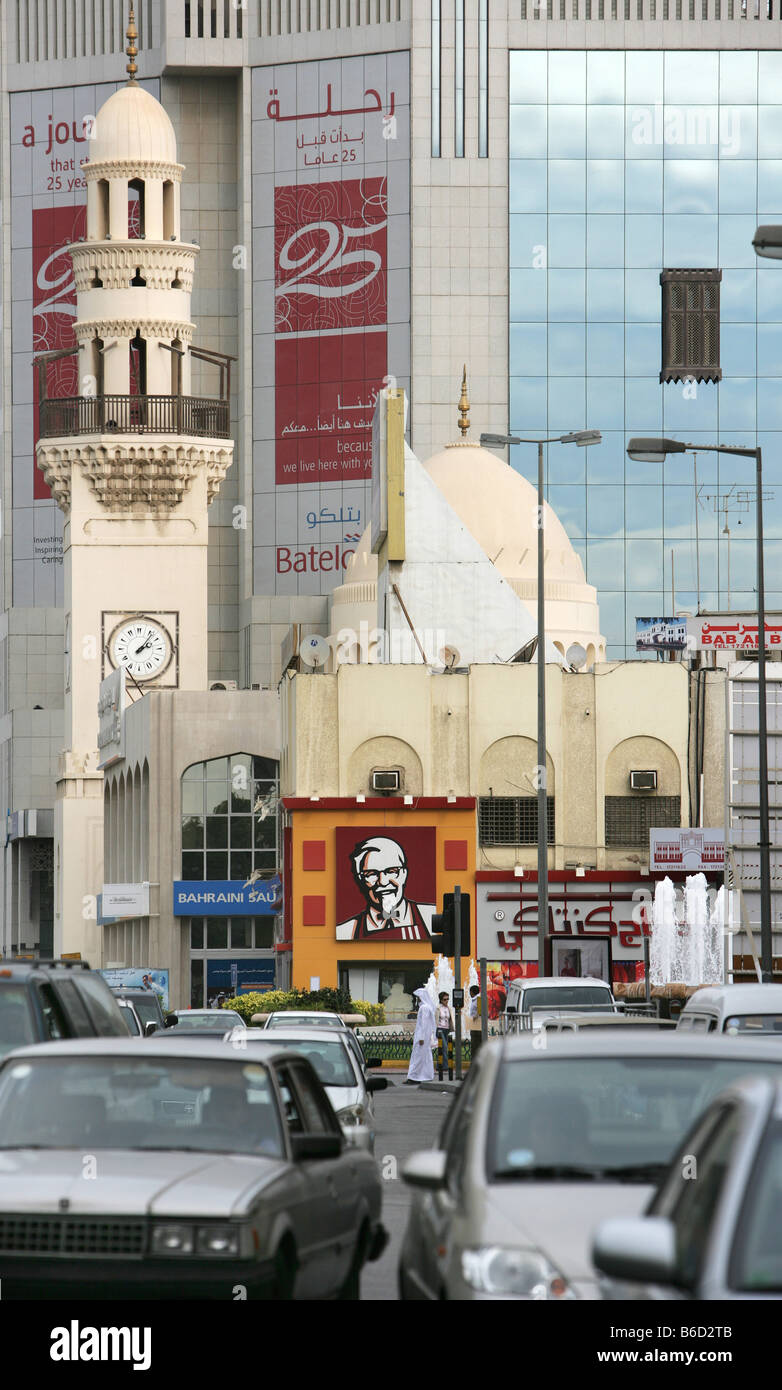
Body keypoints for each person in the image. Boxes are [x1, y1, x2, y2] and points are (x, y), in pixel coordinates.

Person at [336, 835, 435, 942]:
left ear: (404, 874)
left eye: (391, 871)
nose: (383, 882)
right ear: (361, 880)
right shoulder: (345, 932)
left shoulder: (432, 917)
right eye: (371, 874)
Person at [406, 988, 436, 1084]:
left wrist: (421, 1037)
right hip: (424, 1036)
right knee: (425, 1056)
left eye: (418, 997)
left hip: (422, 1036)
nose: (417, 999)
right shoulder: (427, 1007)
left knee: (417, 1056)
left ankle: (414, 1077)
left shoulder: (424, 1008)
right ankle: (425, 1075)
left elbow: (424, 1024)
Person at [435, 991, 455, 1061]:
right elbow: (435, 1019)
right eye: (444, 999)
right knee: (445, 1047)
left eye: (447, 999)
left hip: (446, 1030)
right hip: (440, 1029)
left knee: (442, 1048)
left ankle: (439, 1066)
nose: (446, 1001)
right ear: (441, 1000)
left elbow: (450, 1019)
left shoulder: (448, 1008)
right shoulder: (438, 1008)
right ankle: (446, 1066)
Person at [467, 984, 482, 1061]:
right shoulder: (475, 1000)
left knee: (476, 1045)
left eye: (470, 992)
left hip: (477, 1026)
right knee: (475, 1045)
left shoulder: (479, 999)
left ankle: (476, 1061)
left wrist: (473, 1019)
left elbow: (481, 1012)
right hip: (475, 1026)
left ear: (472, 992)